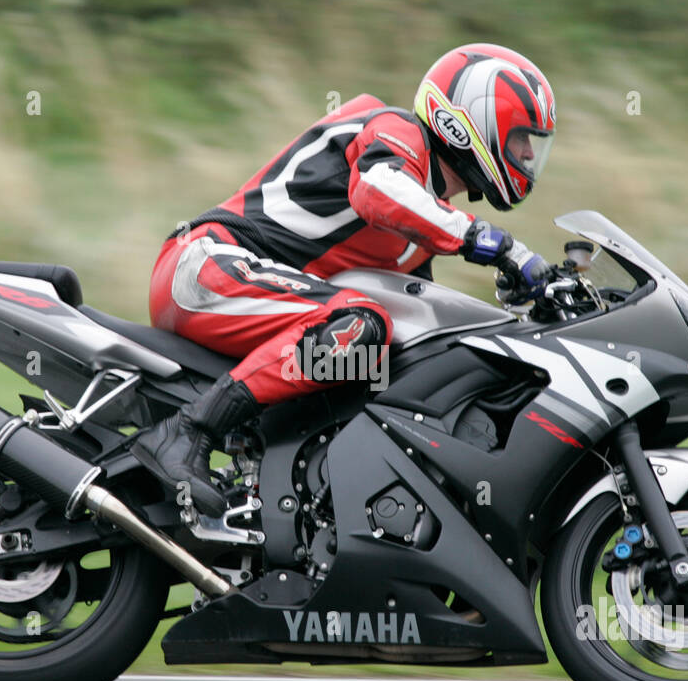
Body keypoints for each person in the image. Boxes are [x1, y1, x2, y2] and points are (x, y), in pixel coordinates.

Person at [133, 43, 556, 516]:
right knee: (361, 326)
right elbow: (377, 188)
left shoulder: (421, 225)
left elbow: (426, 330)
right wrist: (494, 245)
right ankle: (187, 431)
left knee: (398, 356)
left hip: (243, 291)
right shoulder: (395, 132)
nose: (527, 155)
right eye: (521, 138)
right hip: (205, 264)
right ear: (472, 124)